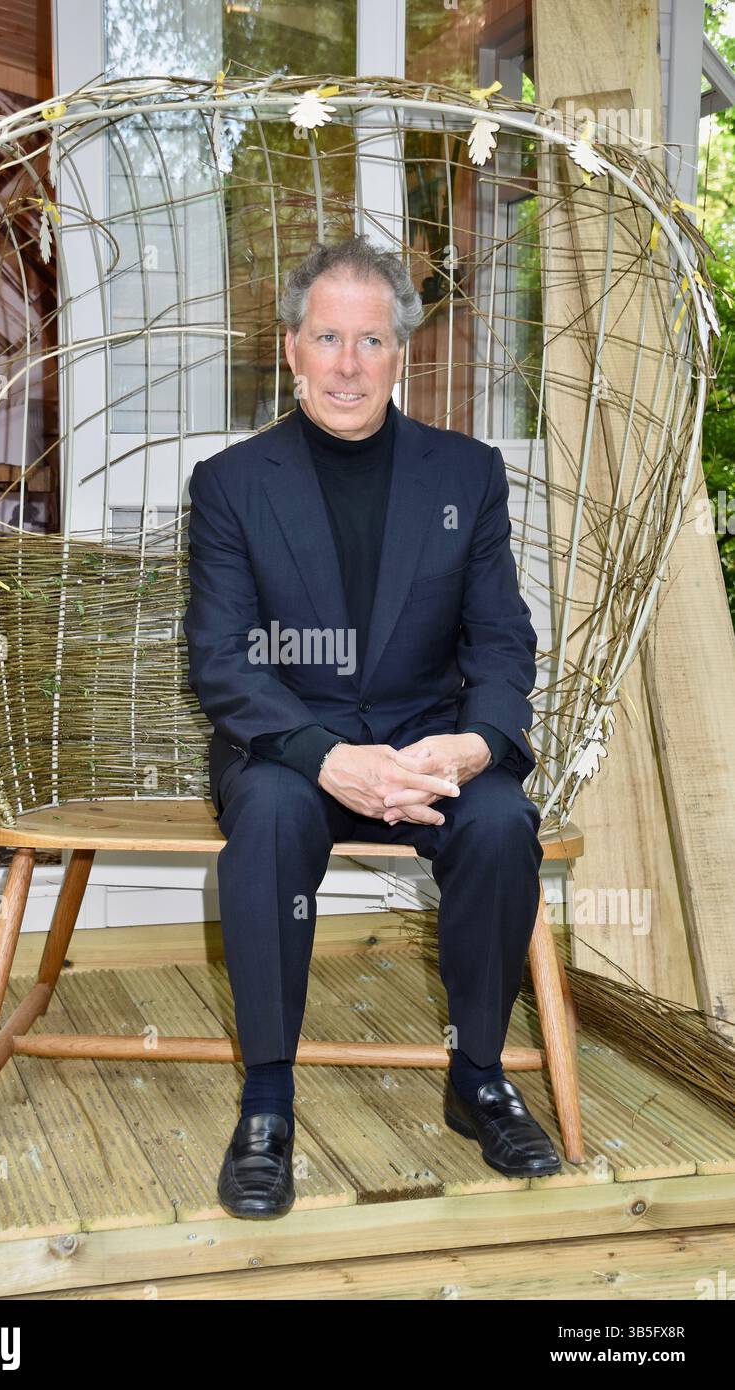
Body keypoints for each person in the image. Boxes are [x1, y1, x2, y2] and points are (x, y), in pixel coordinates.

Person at [183, 234, 559, 1220]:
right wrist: (327, 760)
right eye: (326, 338)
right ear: (292, 349)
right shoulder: (229, 484)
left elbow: (502, 641)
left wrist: (477, 744)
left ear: (402, 352)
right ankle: (267, 1097)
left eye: (371, 340)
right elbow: (223, 661)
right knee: (263, 819)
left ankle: (476, 1075)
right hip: (289, 750)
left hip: (427, 744)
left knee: (498, 824)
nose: (347, 363)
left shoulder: (466, 476)